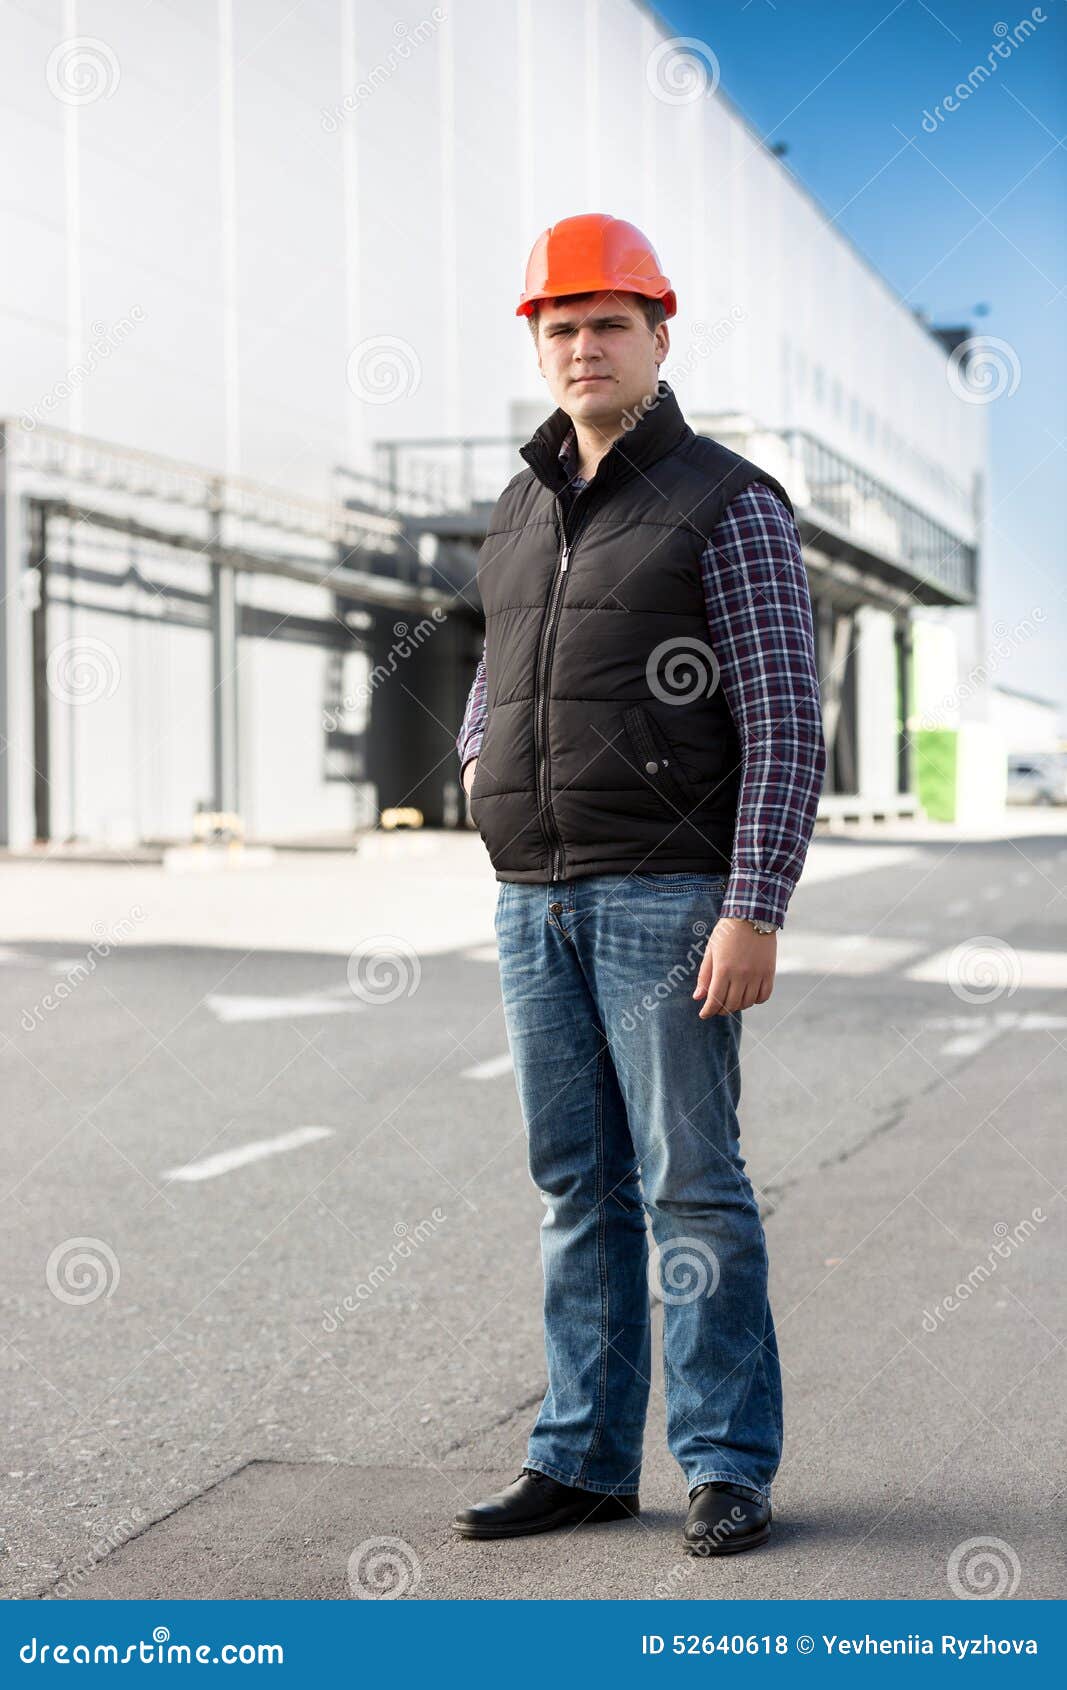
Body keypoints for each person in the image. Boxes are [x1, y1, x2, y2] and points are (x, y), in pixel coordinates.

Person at [450, 214, 826, 1556]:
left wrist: (755, 898)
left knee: (692, 1183)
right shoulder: (520, 502)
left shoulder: (728, 501)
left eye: (609, 323)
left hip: (670, 897)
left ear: (660, 336)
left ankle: (726, 1461)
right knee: (575, 1182)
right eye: (561, 327)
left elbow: (786, 716)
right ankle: (585, 1457)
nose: (584, 346)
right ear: (536, 345)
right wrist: (478, 756)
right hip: (534, 891)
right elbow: (501, 662)